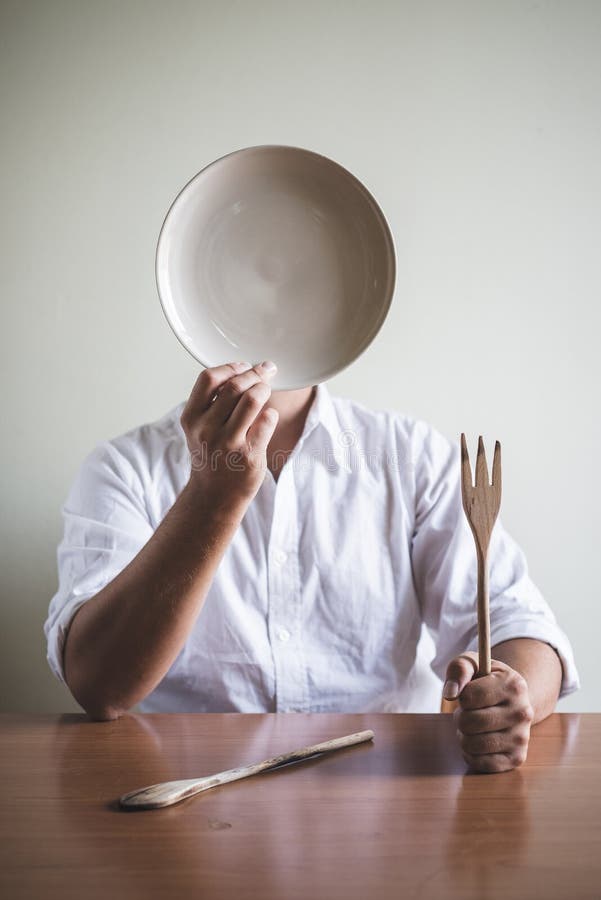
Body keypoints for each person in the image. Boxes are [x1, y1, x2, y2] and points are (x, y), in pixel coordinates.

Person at [44, 360, 579, 773]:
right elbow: (99, 685)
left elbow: (520, 627)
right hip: (187, 800)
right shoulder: (123, 470)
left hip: (387, 805)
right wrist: (213, 497)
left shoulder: (410, 456)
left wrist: (511, 699)